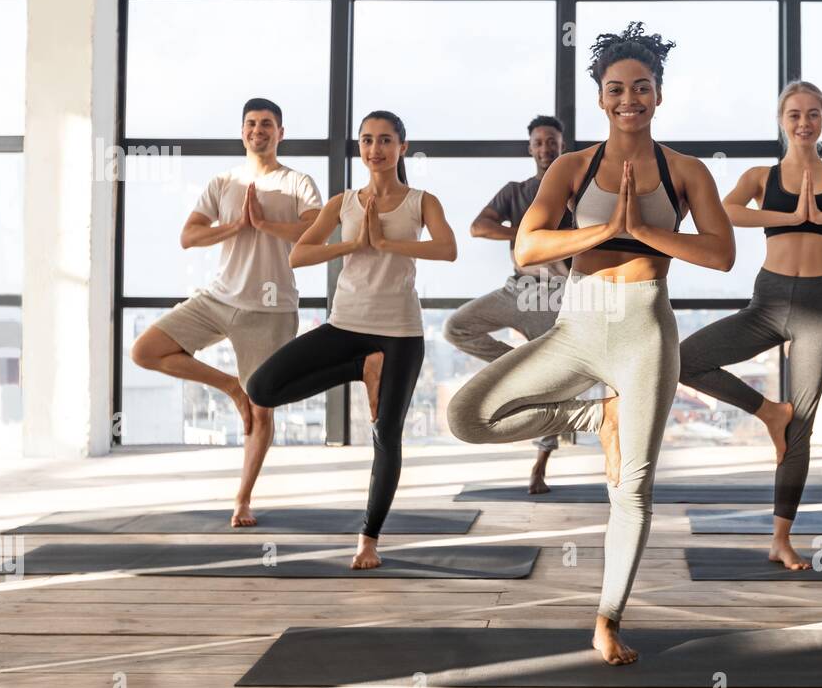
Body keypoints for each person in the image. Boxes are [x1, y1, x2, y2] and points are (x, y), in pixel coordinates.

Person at [447, 22, 734, 665]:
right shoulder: (573, 168)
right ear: (600, 98)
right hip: (578, 322)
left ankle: (607, 618)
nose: (628, 98)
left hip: (644, 329)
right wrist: (607, 226)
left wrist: (645, 233)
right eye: (615, 89)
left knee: (632, 486)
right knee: (467, 415)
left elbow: (720, 253)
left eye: (641, 87)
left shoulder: (683, 171)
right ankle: (591, 413)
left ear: (658, 95)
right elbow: (527, 244)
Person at [678, 81, 822, 570]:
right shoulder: (762, 175)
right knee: (684, 360)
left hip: (820, 306)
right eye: (795, 114)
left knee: (803, 426)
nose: (804, 122)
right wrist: (788, 213)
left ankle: (781, 538)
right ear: (782, 119)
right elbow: (727, 211)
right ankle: (765, 411)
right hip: (769, 300)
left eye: (814, 114)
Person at [247, 111, 457, 569]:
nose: (375, 149)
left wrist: (387, 245)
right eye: (366, 140)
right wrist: (352, 242)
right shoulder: (342, 203)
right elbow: (300, 254)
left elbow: (447, 248)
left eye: (385, 140)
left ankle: (368, 539)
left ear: (402, 146)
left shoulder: (422, 201)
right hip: (346, 324)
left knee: (387, 434)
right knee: (262, 387)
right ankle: (361, 369)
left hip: (400, 331)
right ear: (359, 148)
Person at [131, 97, 322, 527]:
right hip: (218, 298)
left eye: (268, 124)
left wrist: (267, 224)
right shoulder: (223, 182)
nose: (259, 130)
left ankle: (242, 499)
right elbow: (189, 236)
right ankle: (232, 387)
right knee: (145, 351)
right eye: (252, 124)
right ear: (242, 132)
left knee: (263, 408)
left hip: (270, 310)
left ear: (280, 133)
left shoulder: (298, 183)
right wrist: (236, 226)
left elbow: (318, 232)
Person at [444, 115, 572, 494]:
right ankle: (519, 368)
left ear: (562, 145)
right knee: (456, 327)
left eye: (552, 141)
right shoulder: (515, 191)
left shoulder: (576, 189)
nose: (546, 148)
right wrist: (523, 233)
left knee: (553, 385)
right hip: (518, 290)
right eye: (539, 142)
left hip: (559, 295)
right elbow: (478, 226)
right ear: (530, 148)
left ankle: (540, 464)